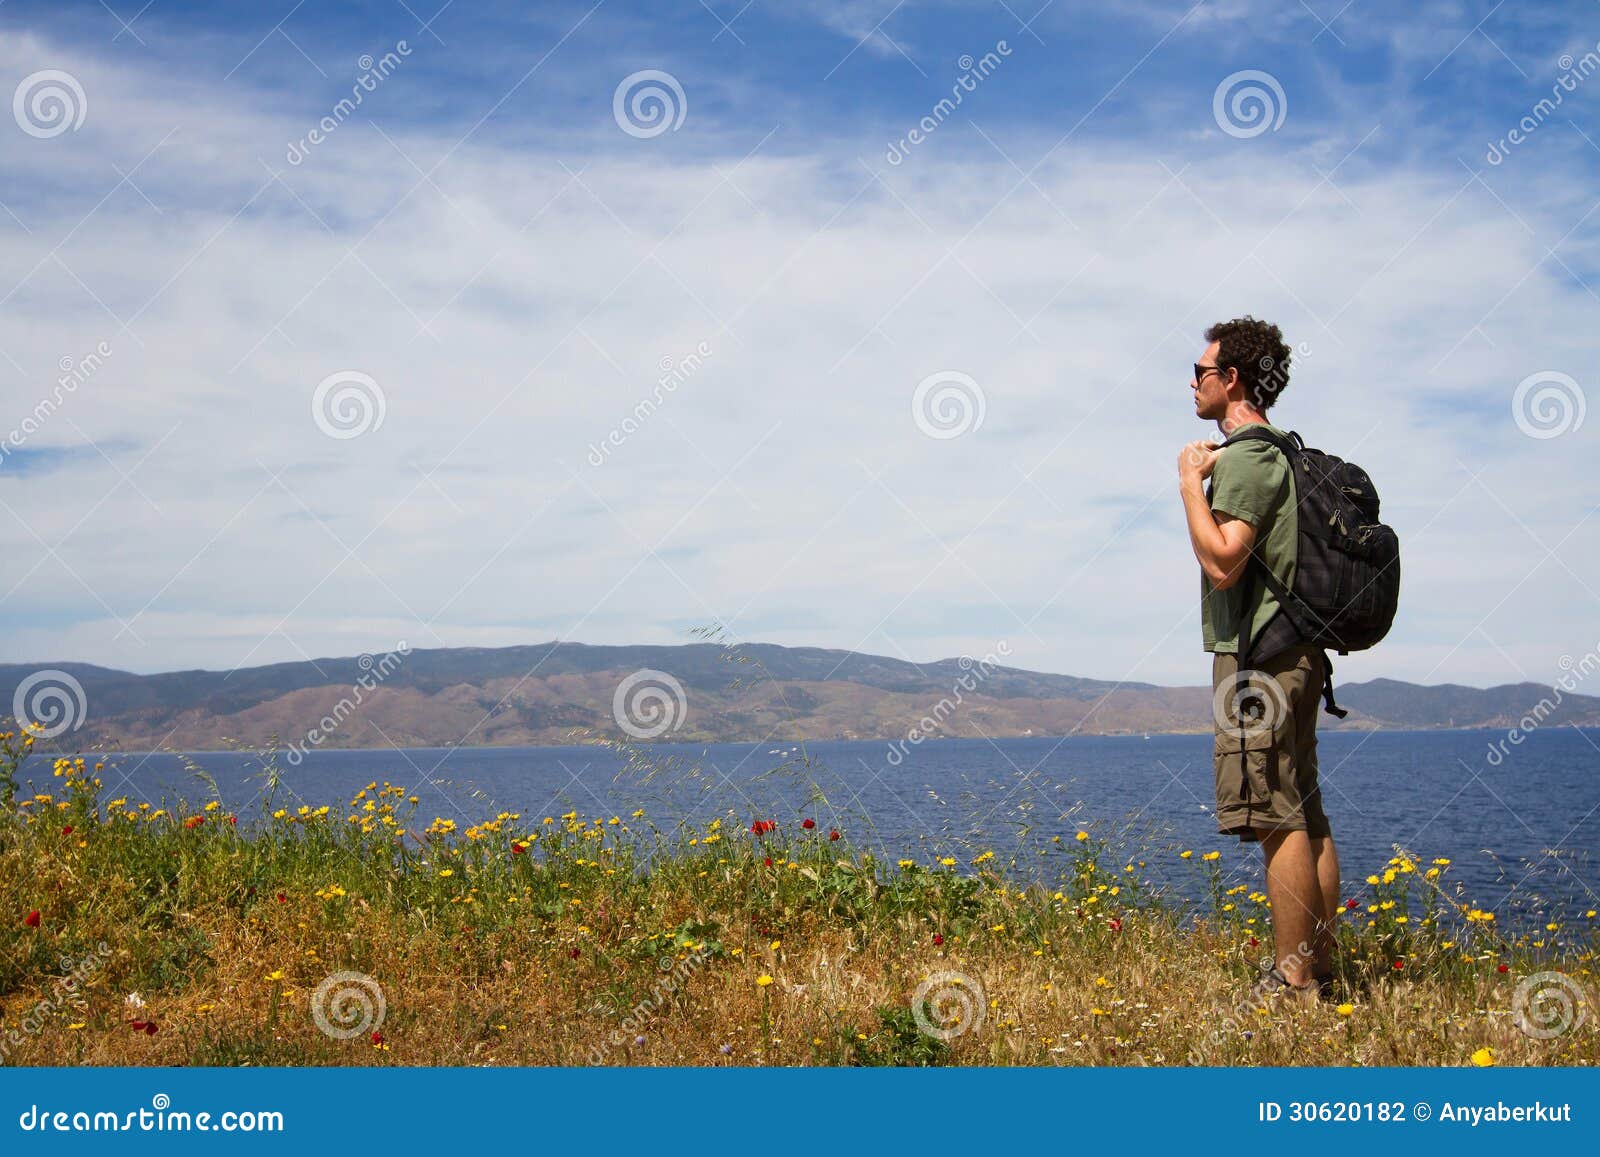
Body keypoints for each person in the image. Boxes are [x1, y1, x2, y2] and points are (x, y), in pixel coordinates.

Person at [1176, 316, 1340, 1000]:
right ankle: (1320, 971)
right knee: (1304, 809)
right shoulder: (1281, 453)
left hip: (1257, 658)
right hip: (1296, 650)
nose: (1192, 382)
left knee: (1275, 815)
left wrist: (1189, 480)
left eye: (1201, 370)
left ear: (1232, 378)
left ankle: (1292, 978)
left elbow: (1223, 560)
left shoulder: (1245, 456)